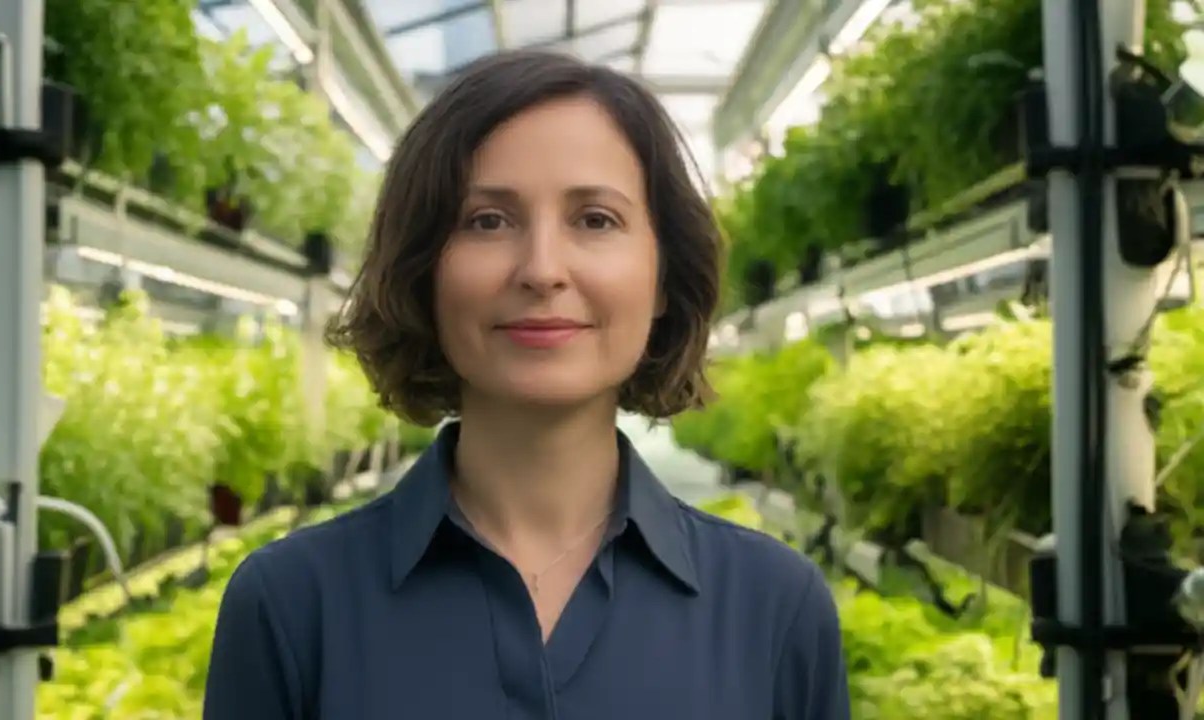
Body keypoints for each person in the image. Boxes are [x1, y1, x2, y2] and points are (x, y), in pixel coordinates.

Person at [202, 49, 850, 720]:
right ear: (425, 273)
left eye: (595, 219)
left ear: (663, 277)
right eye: (487, 221)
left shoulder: (775, 608)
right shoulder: (291, 607)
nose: (542, 269)